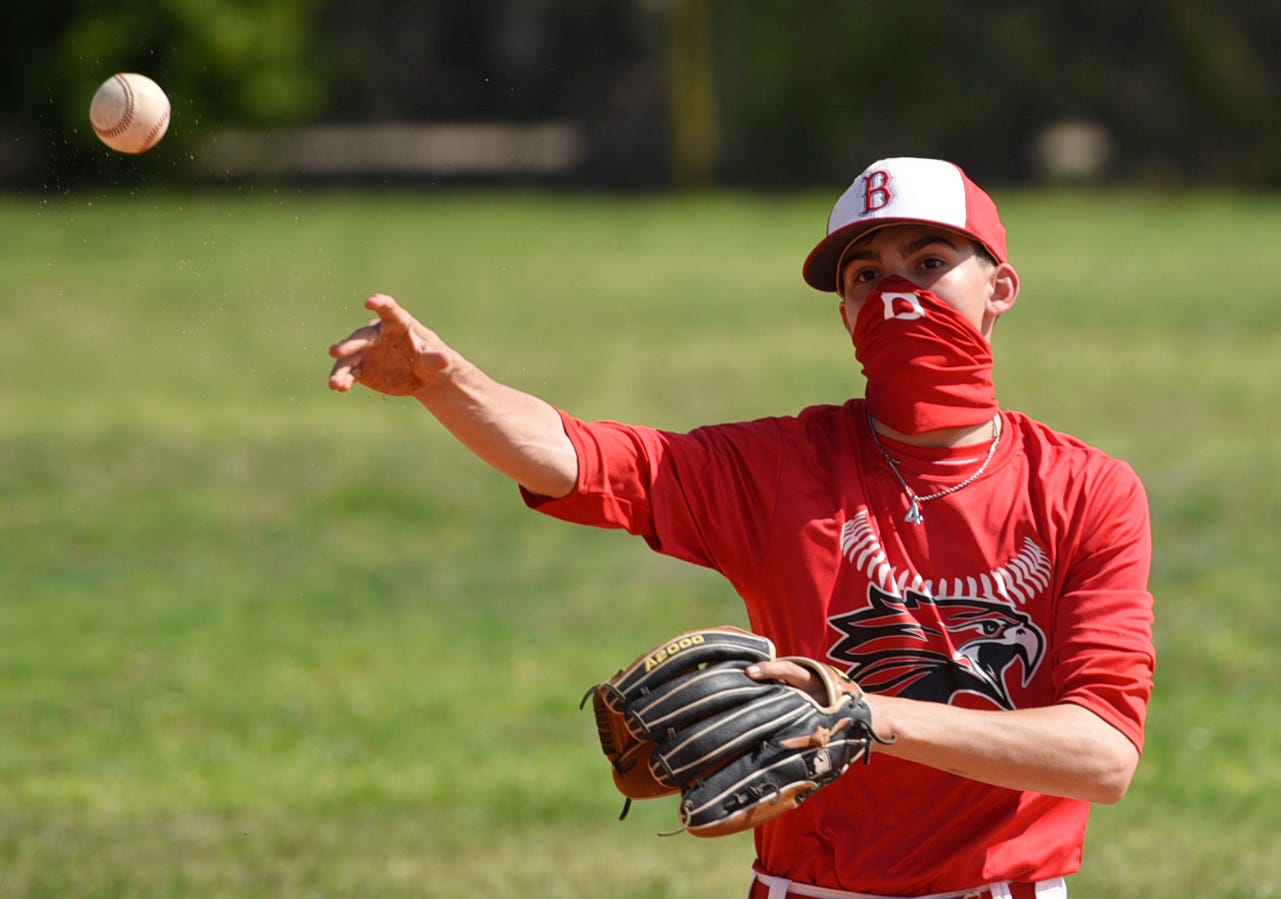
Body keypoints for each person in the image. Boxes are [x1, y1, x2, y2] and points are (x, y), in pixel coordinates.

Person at [327, 157, 1155, 899]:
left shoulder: (1084, 489)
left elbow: (1103, 753)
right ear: (842, 311)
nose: (895, 294)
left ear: (999, 288)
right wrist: (445, 381)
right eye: (866, 275)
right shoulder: (782, 466)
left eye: (929, 263)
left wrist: (870, 716)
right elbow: (580, 460)